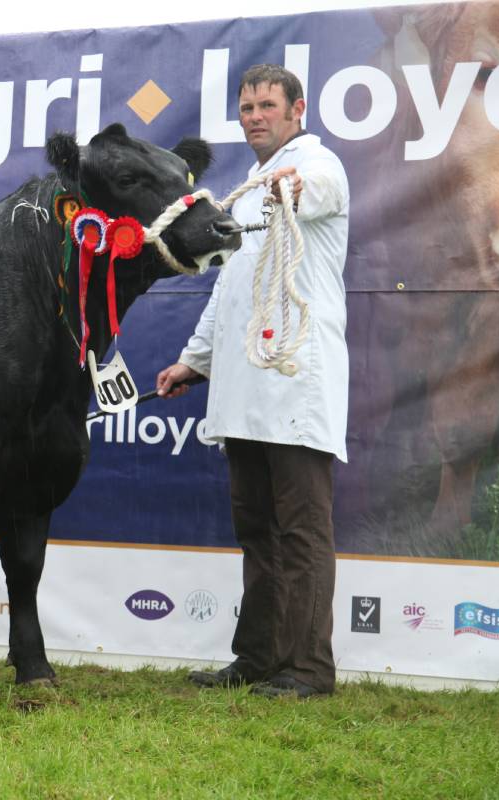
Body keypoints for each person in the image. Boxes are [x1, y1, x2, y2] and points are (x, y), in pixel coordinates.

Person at [156, 64, 349, 699]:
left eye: (268, 104)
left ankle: (309, 669)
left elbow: (319, 190)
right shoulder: (249, 192)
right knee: (258, 531)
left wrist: (294, 184)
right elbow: (230, 292)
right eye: (247, 107)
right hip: (242, 394)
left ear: (298, 110)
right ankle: (259, 657)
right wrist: (193, 360)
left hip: (294, 385)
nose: (256, 115)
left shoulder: (318, 167)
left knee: (300, 531)